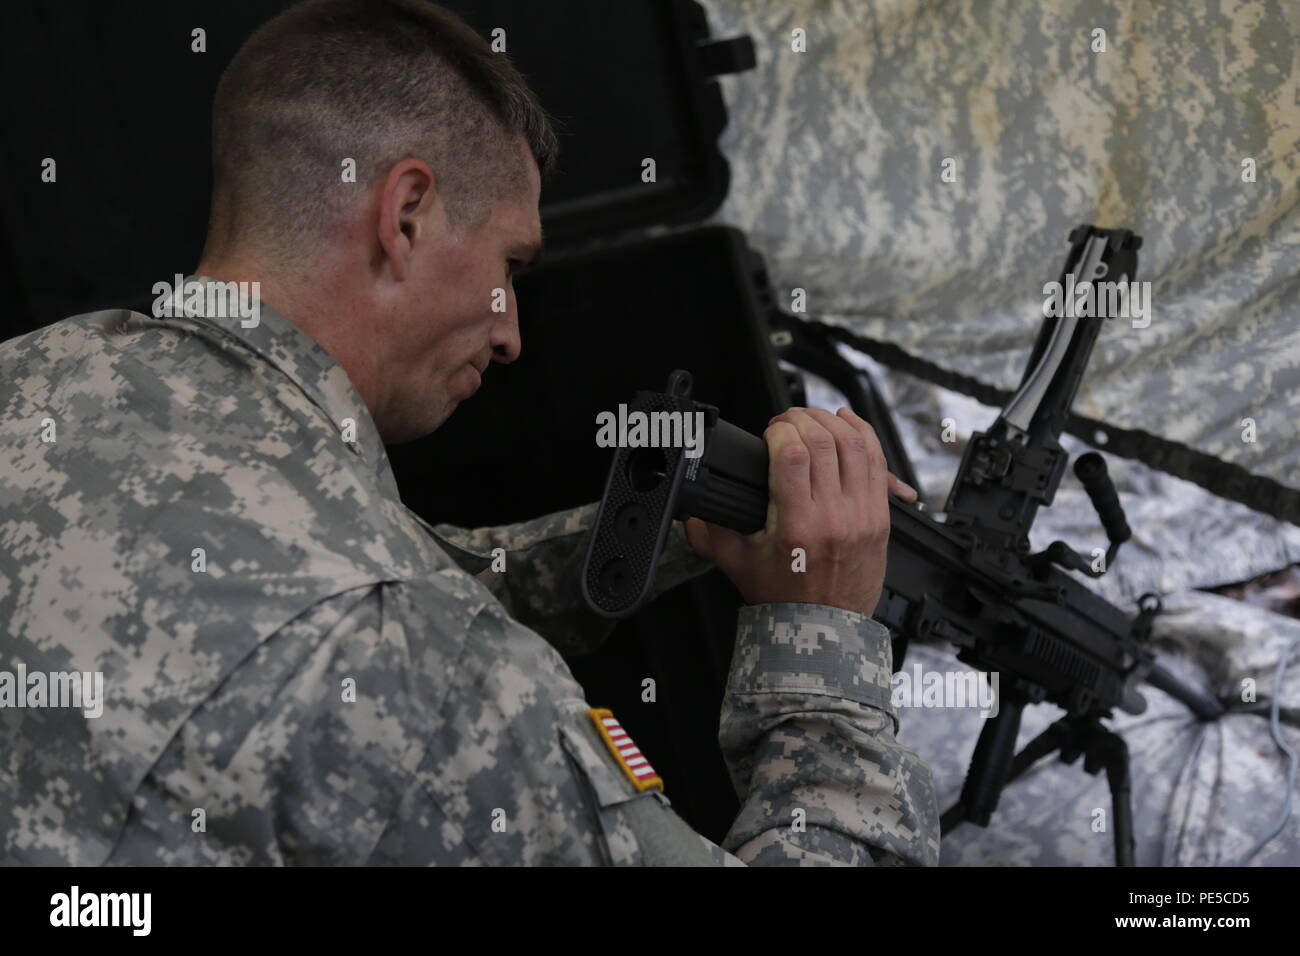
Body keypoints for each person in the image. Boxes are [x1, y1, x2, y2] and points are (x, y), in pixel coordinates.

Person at [0, 0, 939, 866]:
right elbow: (393, 614)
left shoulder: (45, 371)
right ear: (405, 216)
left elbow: (383, 569)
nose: (512, 333)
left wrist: (676, 535)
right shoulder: (440, 673)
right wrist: (821, 640)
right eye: (510, 265)